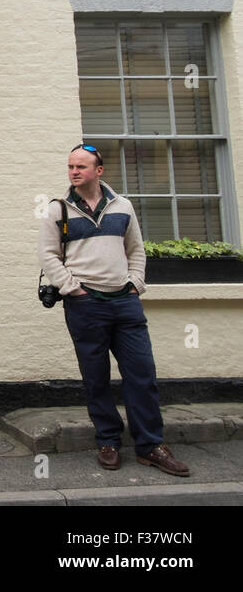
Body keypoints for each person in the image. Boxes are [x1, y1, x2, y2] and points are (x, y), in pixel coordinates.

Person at [37, 144, 189, 476]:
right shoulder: (57, 210)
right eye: (70, 166)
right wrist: (72, 288)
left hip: (125, 302)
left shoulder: (122, 207)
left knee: (142, 375)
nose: (74, 171)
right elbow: (48, 255)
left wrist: (135, 283)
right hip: (84, 304)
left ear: (98, 170)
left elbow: (136, 248)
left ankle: (150, 445)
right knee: (96, 378)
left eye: (81, 166)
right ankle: (108, 441)